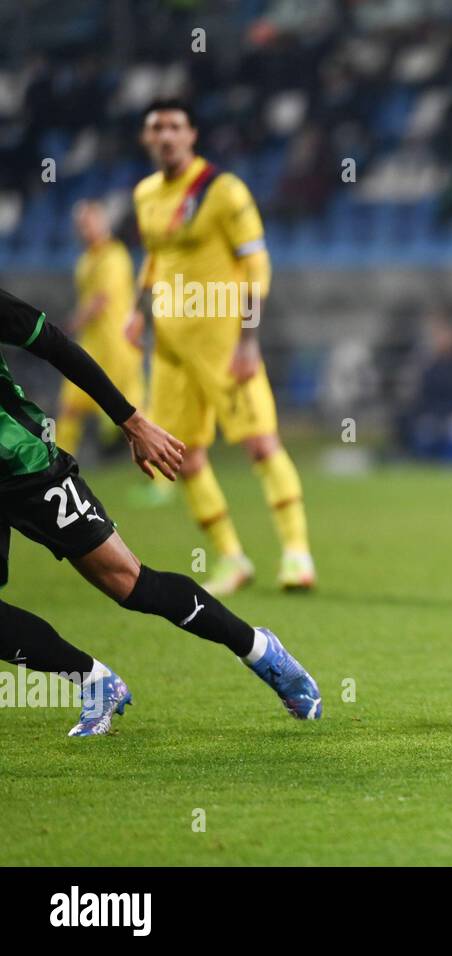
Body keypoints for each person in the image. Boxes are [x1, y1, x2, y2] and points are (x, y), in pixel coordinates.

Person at [0, 287, 321, 736]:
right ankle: (94, 681)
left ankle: (259, 649)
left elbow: (55, 344)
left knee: (130, 585)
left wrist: (131, 421)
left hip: (27, 466)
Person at [133, 98, 314, 596]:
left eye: (174, 126)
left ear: (191, 134)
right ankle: (231, 558)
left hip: (224, 343)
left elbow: (257, 266)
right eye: (156, 128)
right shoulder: (146, 193)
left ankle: (297, 553)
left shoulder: (223, 190)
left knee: (260, 443)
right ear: (147, 139)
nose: (165, 136)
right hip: (170, 349)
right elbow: (153, 259)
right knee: (184, 458)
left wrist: (249, 340)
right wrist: (134, 311)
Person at [55, 200, 144, 459]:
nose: (85, 230)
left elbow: (100, 300)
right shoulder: (84, 260)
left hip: (118, 346)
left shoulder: (115, 255)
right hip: (91, 345)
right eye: (80, 225)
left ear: (103, 222)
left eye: (89, 223)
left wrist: (71, 323)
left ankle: (162, 477)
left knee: (138, 413)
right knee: (70, 407)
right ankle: (59, 470)